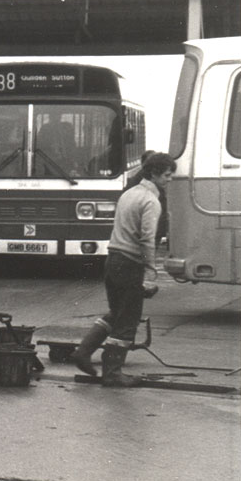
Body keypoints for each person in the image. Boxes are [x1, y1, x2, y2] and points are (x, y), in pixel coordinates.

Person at [68, 152, 176, 386]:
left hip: (113, 260)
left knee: (116, 313)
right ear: (154, 173)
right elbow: (147, 239)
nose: (170, 179)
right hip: (130, 264)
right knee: (128, 320)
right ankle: (113, 373)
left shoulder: (129, 194)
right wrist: (150, 272)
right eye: (167, 175)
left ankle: (83, 351)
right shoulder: (150, 201)